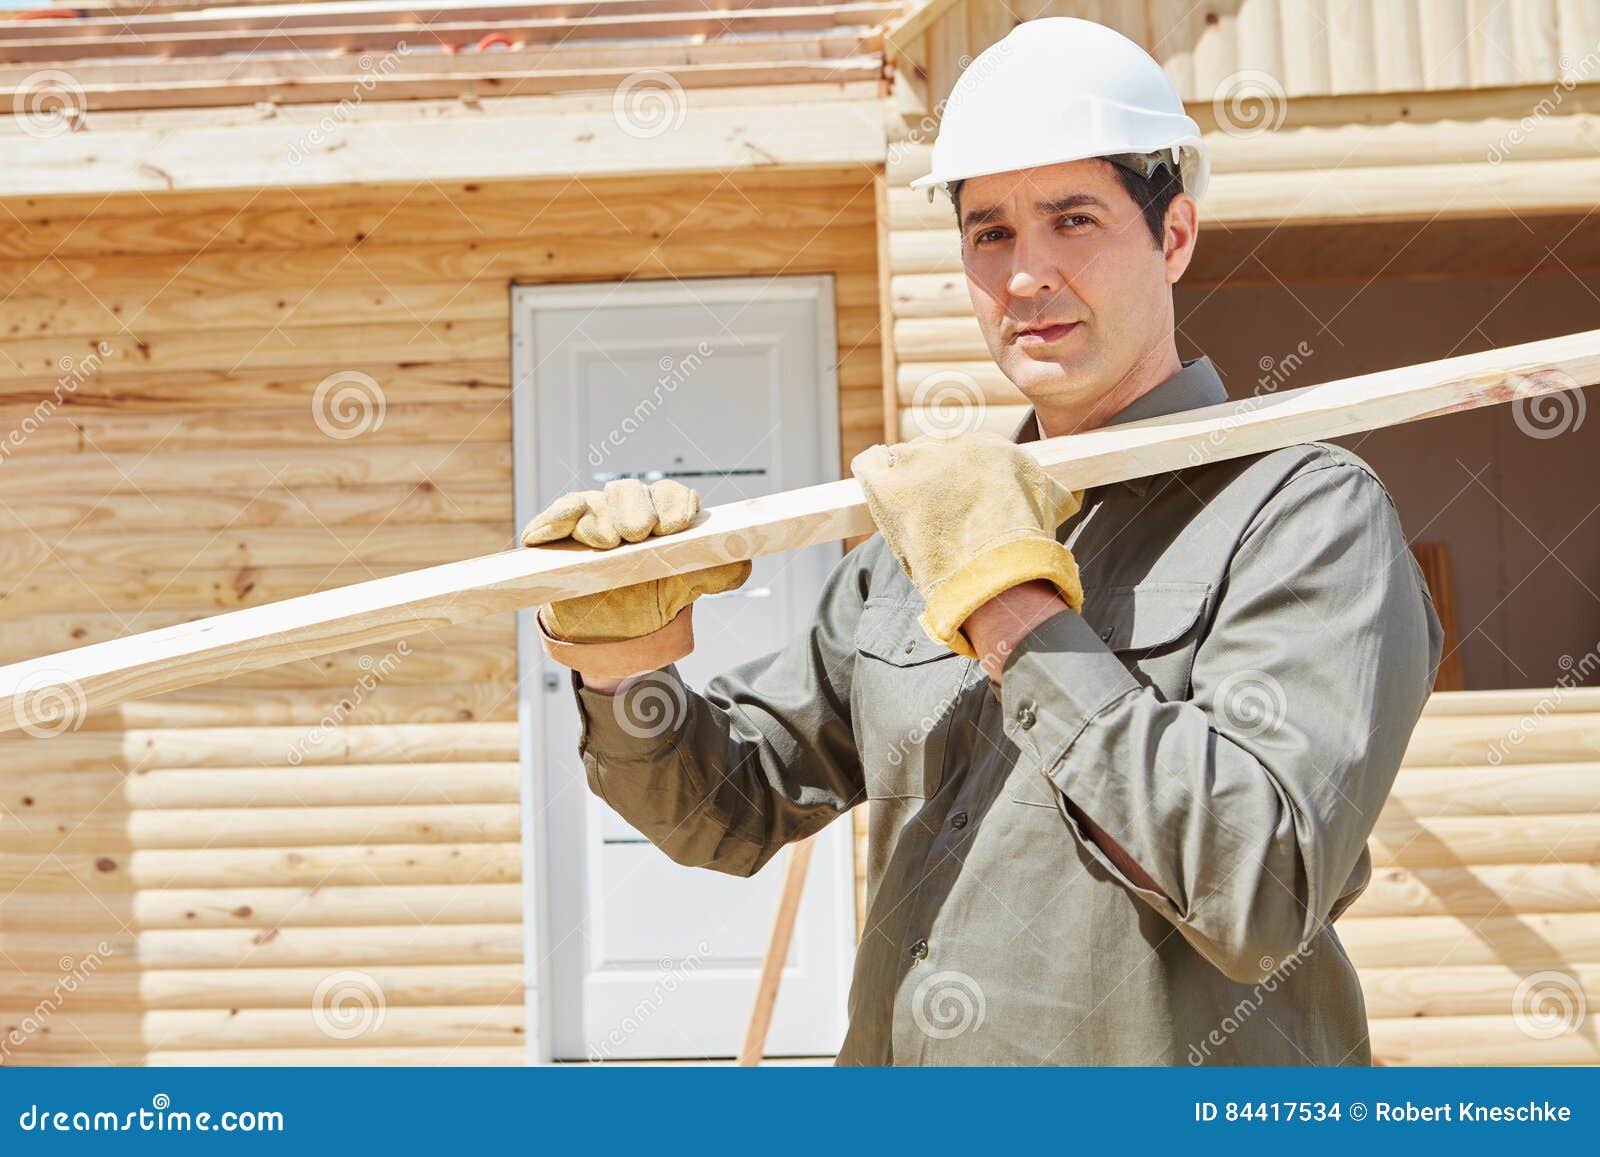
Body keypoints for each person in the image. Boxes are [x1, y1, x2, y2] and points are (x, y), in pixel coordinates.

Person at [521, 16, 1444, 1065]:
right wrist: (619, 664)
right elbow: (728, 809)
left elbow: (1257, 883)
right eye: (989, 232)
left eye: (1073, 219)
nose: (1023, 276)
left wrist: (1007, 602)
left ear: (1174, 234)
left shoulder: (1302, 515)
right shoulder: (919, 539)